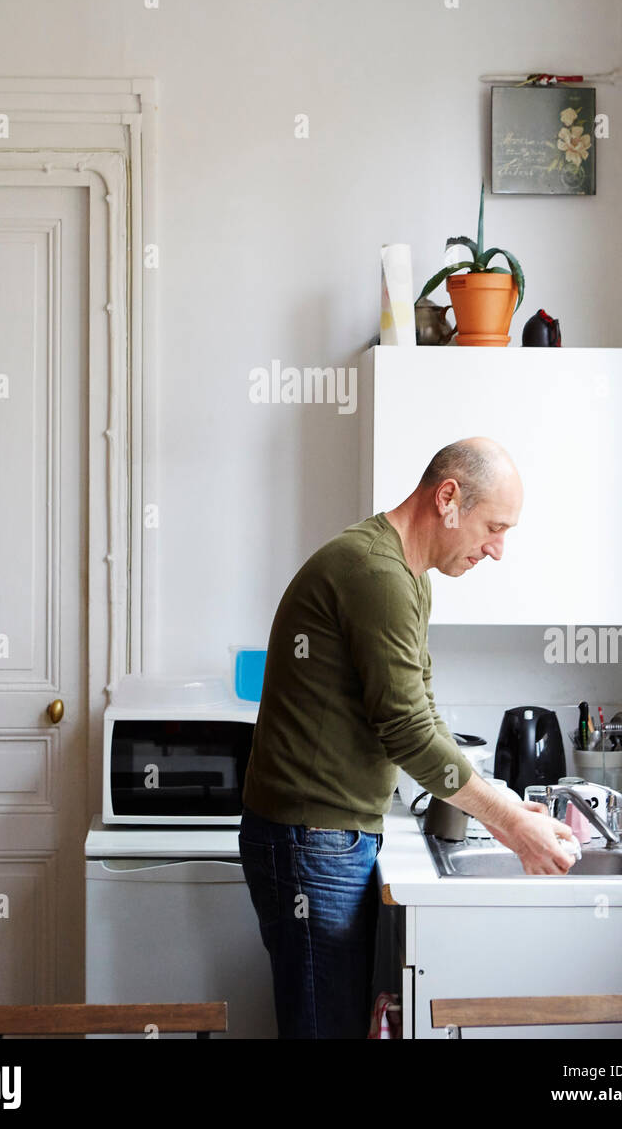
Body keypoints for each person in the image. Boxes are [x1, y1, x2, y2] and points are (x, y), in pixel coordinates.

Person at [239, 436, 575, 1039]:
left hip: (330, 838)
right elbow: (410, 733)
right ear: (448, 497)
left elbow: (421, 711)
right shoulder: (377, 574)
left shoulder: (411, 576)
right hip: (310, 841)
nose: (498, 550)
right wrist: (509, 822)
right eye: (494, 527)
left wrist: (500, 804)